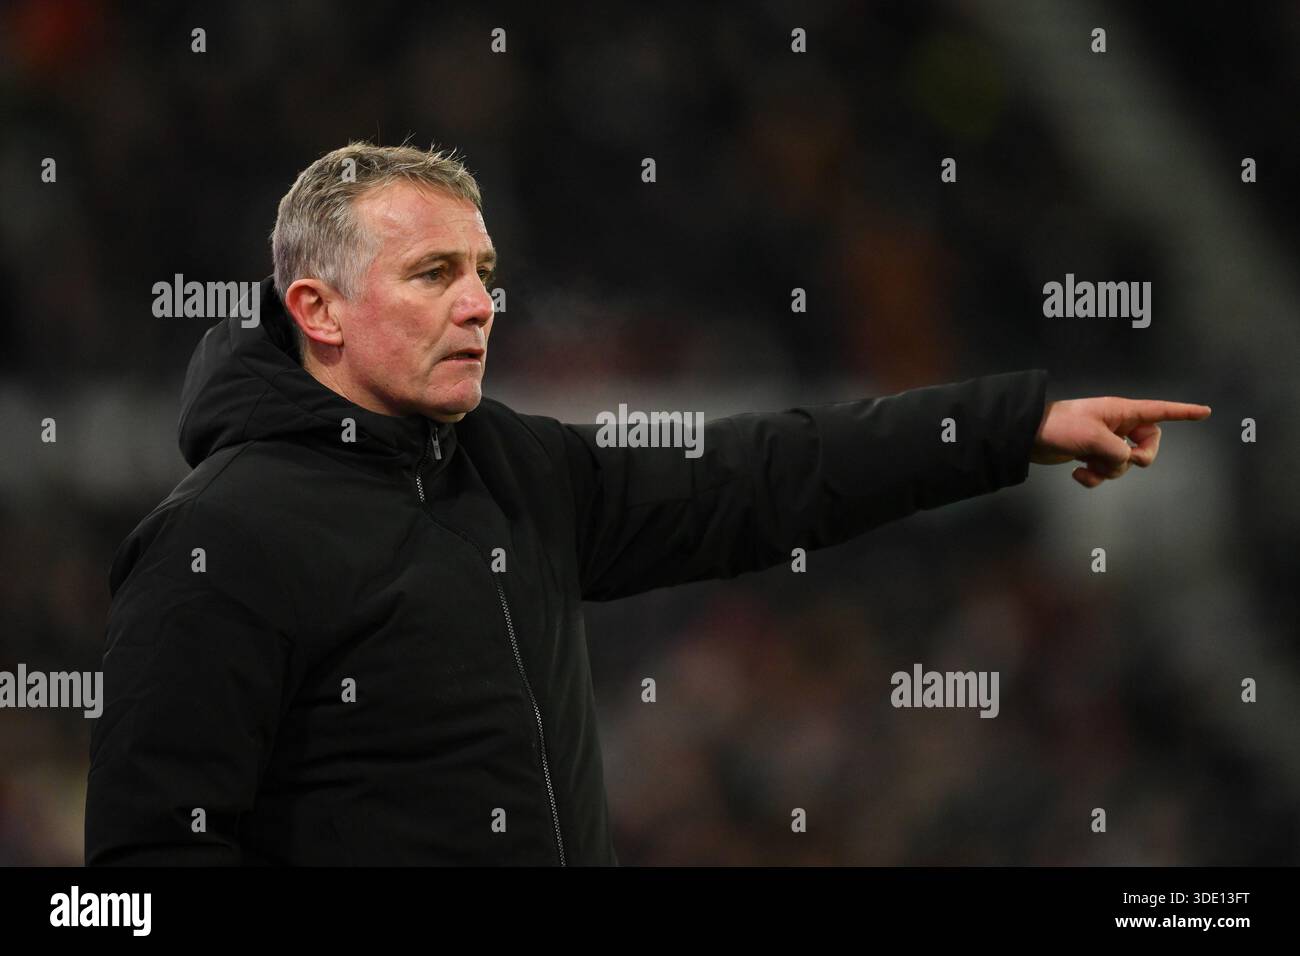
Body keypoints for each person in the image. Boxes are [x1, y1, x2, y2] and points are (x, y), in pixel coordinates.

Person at [84, 141, 1211, 865]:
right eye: (434, 274)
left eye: (485, 272)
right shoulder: (218, 537)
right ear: (317, 310)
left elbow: (765, 473)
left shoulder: (511, 468)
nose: (480, 304)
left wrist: (1010, 428)